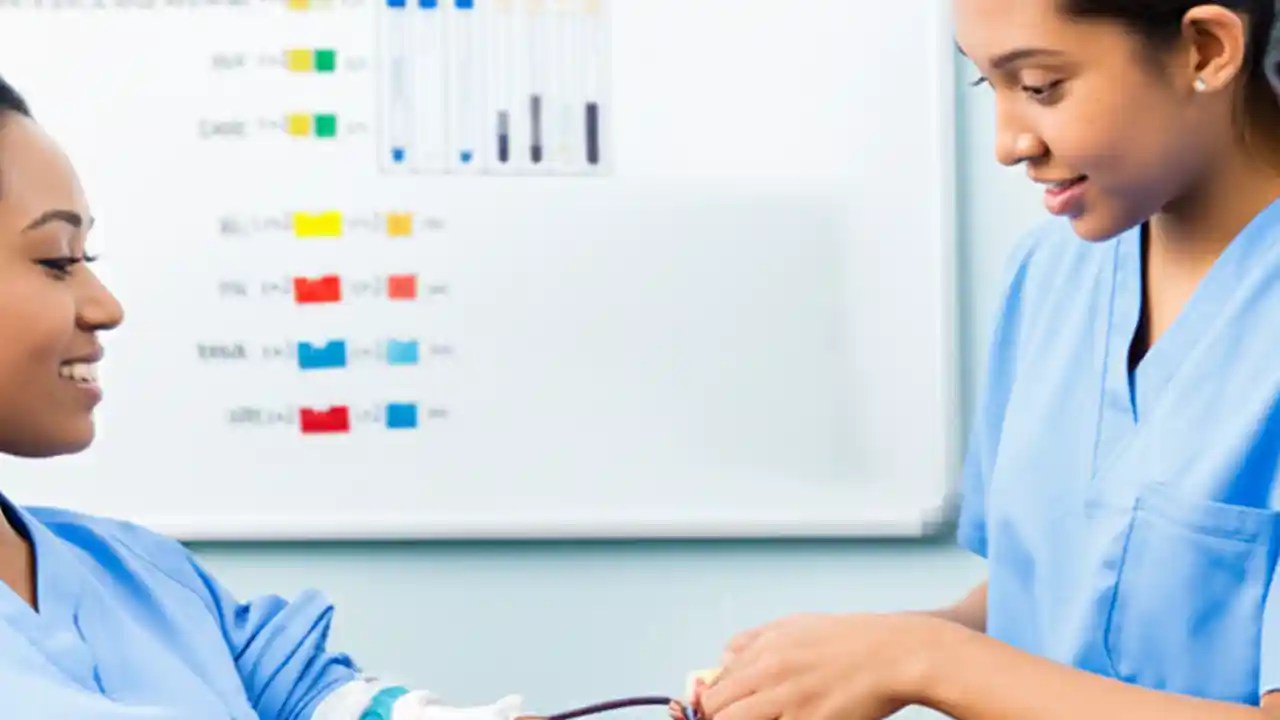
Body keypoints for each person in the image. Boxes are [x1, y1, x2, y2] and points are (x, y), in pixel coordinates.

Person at [688, 1, 1280, 719]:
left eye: (1038, 86)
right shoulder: (1049, 274)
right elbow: (1056, 595)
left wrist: (923, 659)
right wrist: (842, 659)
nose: (1007, 144)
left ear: (1207, 50)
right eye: (986, 87)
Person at [0, 76, 536, 719]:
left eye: (87, 256)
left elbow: (314, 699)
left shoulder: (142, 578)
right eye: (58, 260)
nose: (106, 307)